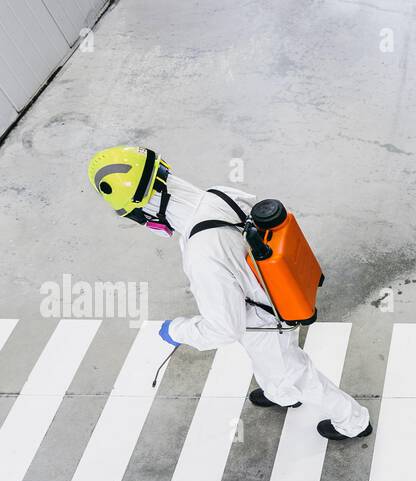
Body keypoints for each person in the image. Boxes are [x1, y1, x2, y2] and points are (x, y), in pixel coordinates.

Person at [86, 145, 372, 441]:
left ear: (143, 210)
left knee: (294, 372)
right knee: (273, 365)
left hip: (263, 319)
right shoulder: (217, 194)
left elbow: (225, 329)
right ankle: (282, 394)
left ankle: (352, 420)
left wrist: (178, 330)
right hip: (276, 289)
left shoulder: (202, 253)